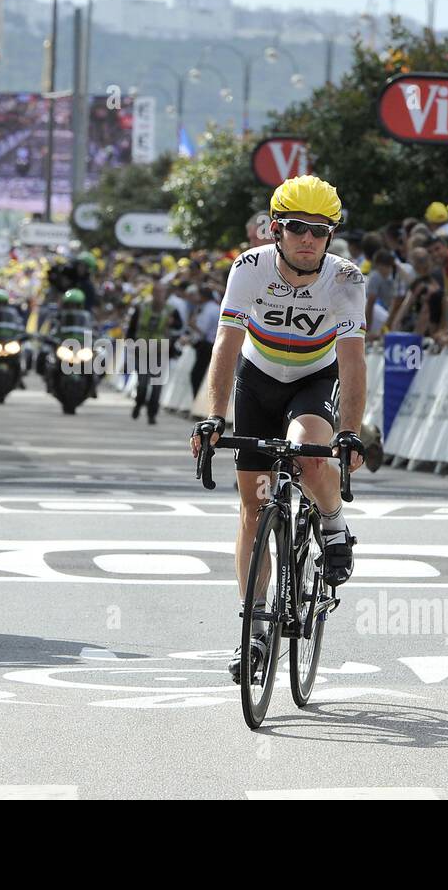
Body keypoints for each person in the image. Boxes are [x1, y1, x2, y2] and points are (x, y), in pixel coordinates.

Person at [188, 175, 366, 685]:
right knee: (254, 505)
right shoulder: (249, 267)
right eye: (296, 228)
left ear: (330, 235)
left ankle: (332, 527)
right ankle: (256, 623)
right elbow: (226, 341)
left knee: (311, 453)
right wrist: (215, 416)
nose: (307, 239)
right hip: (258, 379)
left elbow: (354, 360)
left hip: (315, 378)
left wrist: (349, 431)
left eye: (319, 230)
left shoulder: (346, 278)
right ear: (275, 228)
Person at [125, 281, 183, 425]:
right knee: (143, 383)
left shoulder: (171, 310)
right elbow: (132, 328)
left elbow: (180, 326)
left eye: (161, 292)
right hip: (143, 350)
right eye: (156, 292)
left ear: (165, 294)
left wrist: (172, 324)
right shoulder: (142, 307)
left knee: (157, 385)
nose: (159, 295)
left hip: (161, 352)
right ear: (152, 293)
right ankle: (138, 404)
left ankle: (152, 414)